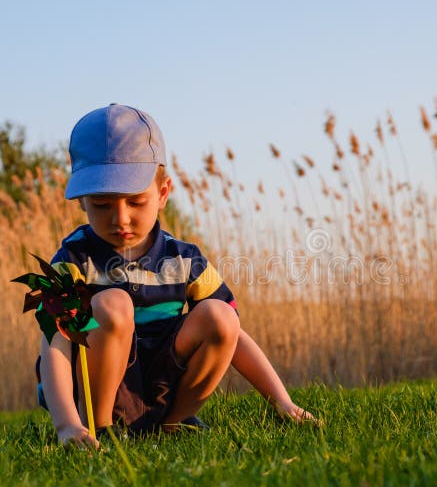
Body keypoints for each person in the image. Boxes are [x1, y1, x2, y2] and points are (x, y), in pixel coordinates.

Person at [36, 104, 317, 448]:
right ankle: (100, 431)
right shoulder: (71, 260)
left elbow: (233, 334)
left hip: (163, 389)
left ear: (163, 193)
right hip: (95, 397)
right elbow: (56, 342)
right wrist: (66, 423)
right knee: (112, 305)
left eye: (135, 202)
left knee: (221, 316)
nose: (120, 219)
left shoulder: (184, 260)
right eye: (102, 204)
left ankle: (174, 423)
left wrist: (282, 401)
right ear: (82, 202)